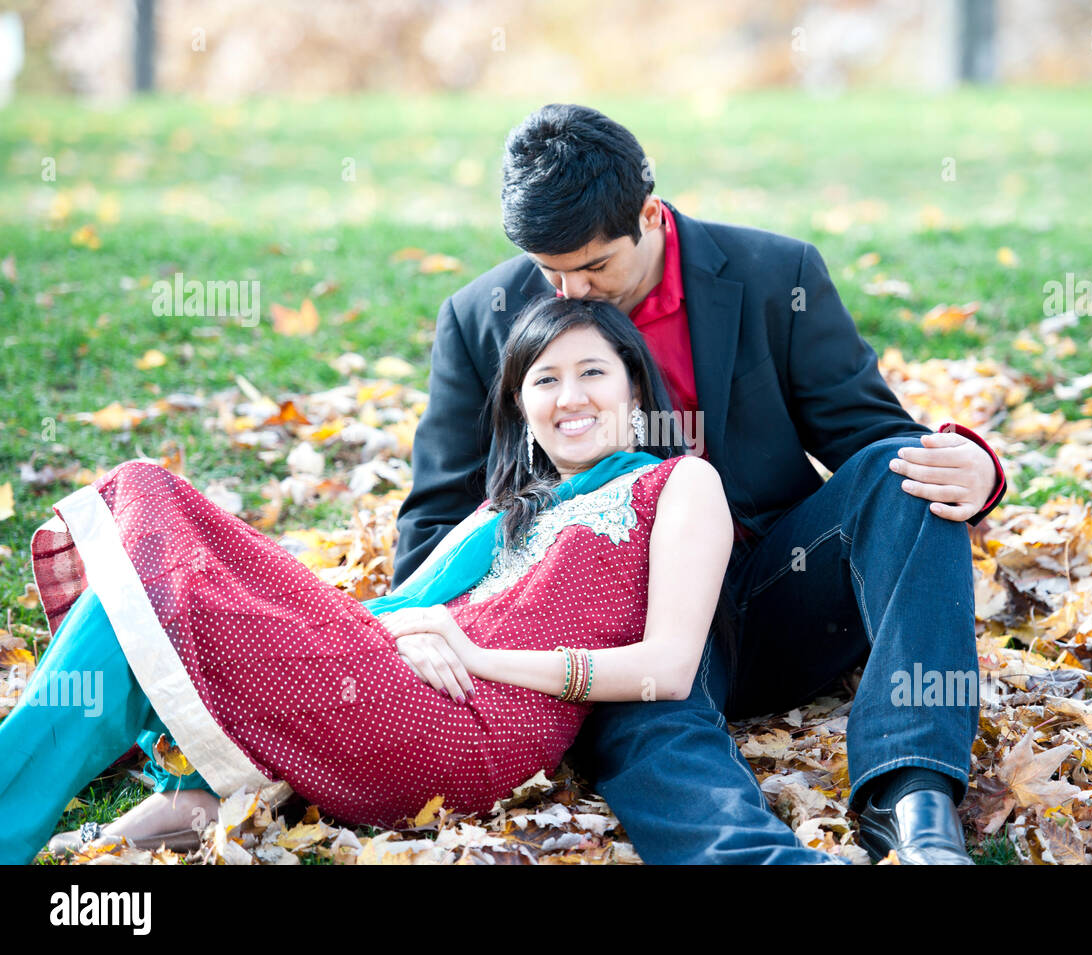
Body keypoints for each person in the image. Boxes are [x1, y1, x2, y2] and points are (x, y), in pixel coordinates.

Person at [392, 104, 1009, 865]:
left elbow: (874, 436)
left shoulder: (777, 275)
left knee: (902, 472)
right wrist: (428, 637)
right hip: (609, 622)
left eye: (594, 268)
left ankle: (912, 800)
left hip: (776, 587)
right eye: (552, 273)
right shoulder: (478, 319)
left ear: (649, 214)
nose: (571, 293)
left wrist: (975, 467)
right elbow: (437, 514)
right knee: (654, 732)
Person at [1, 296, 733, 865]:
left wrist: (477, 657)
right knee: (144, 600)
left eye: (593, 372)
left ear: (635, 388)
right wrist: (409, 636)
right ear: (523, 405)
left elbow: (666, 670)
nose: (570, 396)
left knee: (149, 498)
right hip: (395, 678)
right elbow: (407, 606)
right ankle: (186, 799)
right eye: (545, 379)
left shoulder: (680, 483)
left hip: (466, 725)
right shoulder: (502, 508)